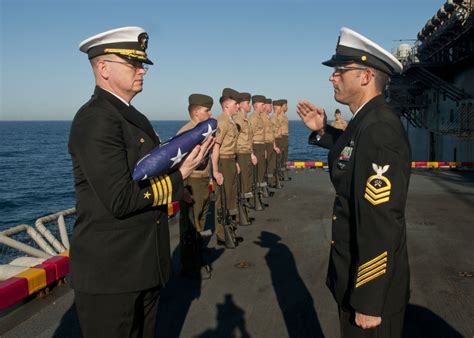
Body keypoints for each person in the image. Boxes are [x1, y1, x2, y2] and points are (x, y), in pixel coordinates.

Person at [69, 26, 213, 337]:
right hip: (111, 275)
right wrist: (181, 176)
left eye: (142, 64)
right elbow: (119, 199)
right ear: (103, 68)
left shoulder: (130, 116)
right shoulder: (96, 119)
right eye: (133, 63)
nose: (142, 71)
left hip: (142, 266)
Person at [297, 27, 411, 338]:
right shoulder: (365, 121)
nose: (332, 78)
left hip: (370, 290)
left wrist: (370, 300)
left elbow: (381, 221)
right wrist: (323, 131)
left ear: (365, 76)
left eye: (340, 71)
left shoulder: (379, 129)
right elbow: (351, 151)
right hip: (354, 278)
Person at [176, 94, 214, 278]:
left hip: (203, 179)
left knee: (200, 219)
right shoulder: (186, 134)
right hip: (191, 182)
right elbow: (177, 166)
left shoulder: (202, 130)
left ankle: (197, 255)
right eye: (207, 110)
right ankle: (190, 265)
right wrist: (182, 189)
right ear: (197, 112)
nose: (211, 113)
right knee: (190, 225)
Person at [212, 88, 242, 247]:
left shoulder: (231, 122)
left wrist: (236, 161)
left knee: (231, 197)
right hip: (223, 162)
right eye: (236, 104)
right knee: (223, 198)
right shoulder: (222, 122)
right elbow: (216, 148)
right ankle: (222, 235)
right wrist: (216, 171)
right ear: (227, 105)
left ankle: (230, 230)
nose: (239, 106)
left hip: (230, 161)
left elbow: (232, 146)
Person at [234, 92, 258, 210]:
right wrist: (235, 160)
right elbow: (234, 140)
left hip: (247, 152)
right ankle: (242, 205)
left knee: (247, 178)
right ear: (240, 105)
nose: (250, 105)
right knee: (243, 180)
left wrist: (252, 154)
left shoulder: (245, 120)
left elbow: (249, 139)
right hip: (241, 153)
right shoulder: (238, 120)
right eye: (248, 103)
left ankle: (246, 202)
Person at [249, 95, 268, 200]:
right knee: (255, 172)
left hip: (261, 146)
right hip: (255, 146)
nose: (264, 107)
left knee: (261, 170)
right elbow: (249, 137)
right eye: (262, 105)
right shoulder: (253, 118)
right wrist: (252, 153)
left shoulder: (260, 117)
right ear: (256, 106)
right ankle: (254, 195)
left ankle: (259, 193)